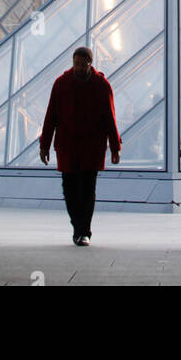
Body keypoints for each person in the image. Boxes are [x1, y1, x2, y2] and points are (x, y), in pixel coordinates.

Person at [39, 46, 121, 245]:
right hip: (69, 146)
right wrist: (44, 145)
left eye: (82, 64)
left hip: (90, 147)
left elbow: (110, 117)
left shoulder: (101, 85)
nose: (78, 67)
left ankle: (83, 230)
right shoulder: (61, 84)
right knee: (70, 188)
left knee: (87, 188)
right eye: (76, 63)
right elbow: (51, 116)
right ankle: (79, 227)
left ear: (90, 63)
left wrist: (115, 146)